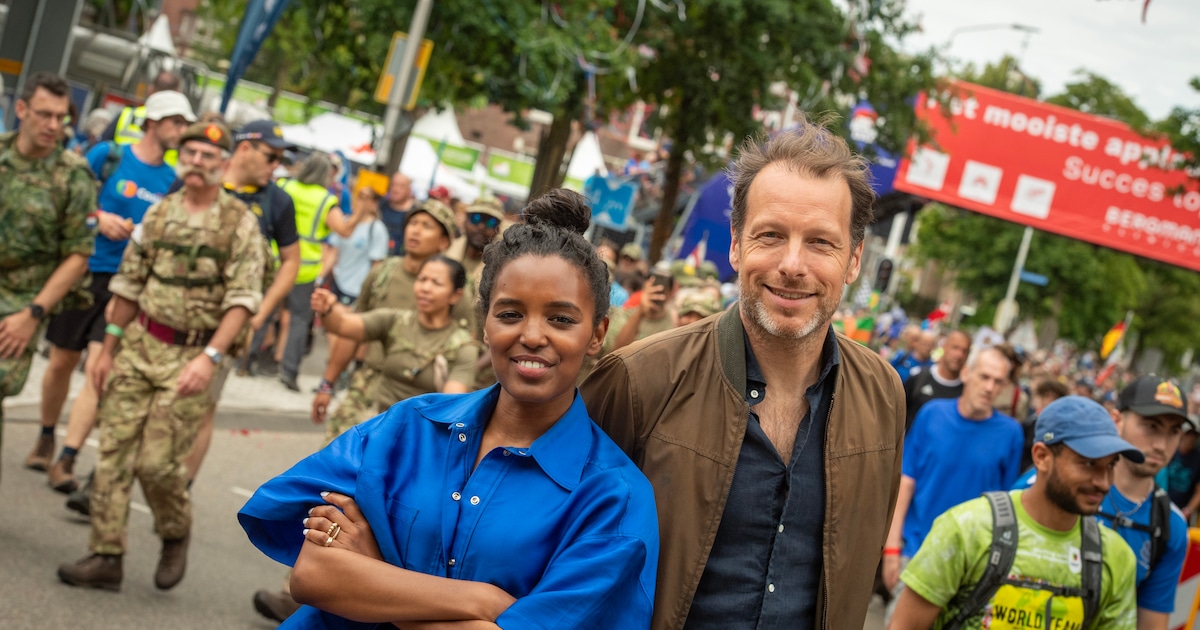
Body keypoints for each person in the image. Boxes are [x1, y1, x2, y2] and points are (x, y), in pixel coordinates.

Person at [238, 189, 658, 628]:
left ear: (597, 334)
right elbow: (314, 575)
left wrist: (376, 576)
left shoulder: (614, 499)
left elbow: (340, 581)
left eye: (561, 319)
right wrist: (483, 601)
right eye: (510, 314)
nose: (533, 336)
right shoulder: (407, 428)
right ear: (484, 324)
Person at [581, 118, 906, 629]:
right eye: (771, 235)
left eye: (820, 242)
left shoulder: (884, 396)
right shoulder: (638, 380)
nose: (792, 264)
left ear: (854, 260)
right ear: (736, 245)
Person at [56, 121, 267, 592]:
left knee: (156, 464)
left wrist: (208, 358)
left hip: (191, 354)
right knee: (113, 452)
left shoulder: (239, 223)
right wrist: (108, 347)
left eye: (208, 156)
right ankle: (106, 555)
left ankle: (175, 530)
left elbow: (242, 301)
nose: (197, 162)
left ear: (223, 164)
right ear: (180, 158)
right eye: (190, 153)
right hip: (139, 345)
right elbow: (130, 283)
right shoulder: (159, 213)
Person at [250, 199, 459, 622]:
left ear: (444, 242)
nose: (416, 230)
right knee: (332, 490)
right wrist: (328, 381)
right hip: (368, 394)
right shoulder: (384, 276)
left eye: (428, 226)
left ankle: (366, 594)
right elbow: (351, 328)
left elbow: (465, 365)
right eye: (413, 222)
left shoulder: (461, 294)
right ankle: (304, 586)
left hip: (420, 417)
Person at [35, 90, 195, 493]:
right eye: (176, 122)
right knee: (61, 363)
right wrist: (99, 218)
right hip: (83, 273)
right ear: (154, 122)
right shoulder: (107, 155)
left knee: (98, 369)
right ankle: (46, 434)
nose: (181, 131)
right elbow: (69, 200)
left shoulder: (173, 181)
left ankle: (67, 458)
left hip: (126, 288)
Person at [888, 395, 1140, 629]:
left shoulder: (1115, 557)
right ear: (1041, 457)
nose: (1103, 482)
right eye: (1088, 464)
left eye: (1110, 466)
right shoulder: (967, 528)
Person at [0, 73, 96, 485]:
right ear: (22, 110)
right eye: (44, 114)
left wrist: (33, 314)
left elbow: (78, 255)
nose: (53, 125)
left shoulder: (72, 176)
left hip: (22, 300)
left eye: (61, 117)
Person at [883, 347, 1025, 614]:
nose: (989, 387)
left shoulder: (1011, 433)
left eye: (998, 382)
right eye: (984, 377)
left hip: (972, 565)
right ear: (966, 373)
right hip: (917, 551)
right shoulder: (932, 414)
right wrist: (891, 547)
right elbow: (906, 481)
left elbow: (1007, 505)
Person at [313, 255, 477, 416]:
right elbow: (342, 325)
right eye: (422, 279)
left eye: (436, 283)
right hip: (379, 416)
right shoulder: (394, 321)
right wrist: (327, 310)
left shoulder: (462, 346)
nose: (426, 288)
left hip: (422, 425)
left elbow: (450, 406)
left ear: (455, 295)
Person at [276, 153, 362, 391]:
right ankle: (289, 371)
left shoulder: (285, 185)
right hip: (304, 267)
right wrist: (361, 212)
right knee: (300, 319)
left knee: (265, 309)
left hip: (275, 258)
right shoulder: (325, 199)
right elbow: (344, 230)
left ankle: (247, 360)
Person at [445, 197, 505, 336]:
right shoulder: (445, 251)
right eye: (476, 219)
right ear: (465, 221)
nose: (481, 227)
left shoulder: (503, 267)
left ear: (498, 229)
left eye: (491, 222)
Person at [101, 72, 182, 165]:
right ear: (179, 94)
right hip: (161, 173)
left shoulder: (127, 114)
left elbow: (103, 144)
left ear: (150, 90)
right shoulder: (182, 128)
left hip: (119, 169)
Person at [901, 329, 971, 432]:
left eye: (964, 351)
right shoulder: (919, 377)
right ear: (944, 347)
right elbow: (898, 411)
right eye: (955, 348)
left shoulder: (966, 391)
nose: (959, 355)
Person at [378, 172, 415, 256]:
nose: (395, 189)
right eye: (393, 185)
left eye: (401, 186)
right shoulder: (381, 206)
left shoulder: (414, 213)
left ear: (409, 191)